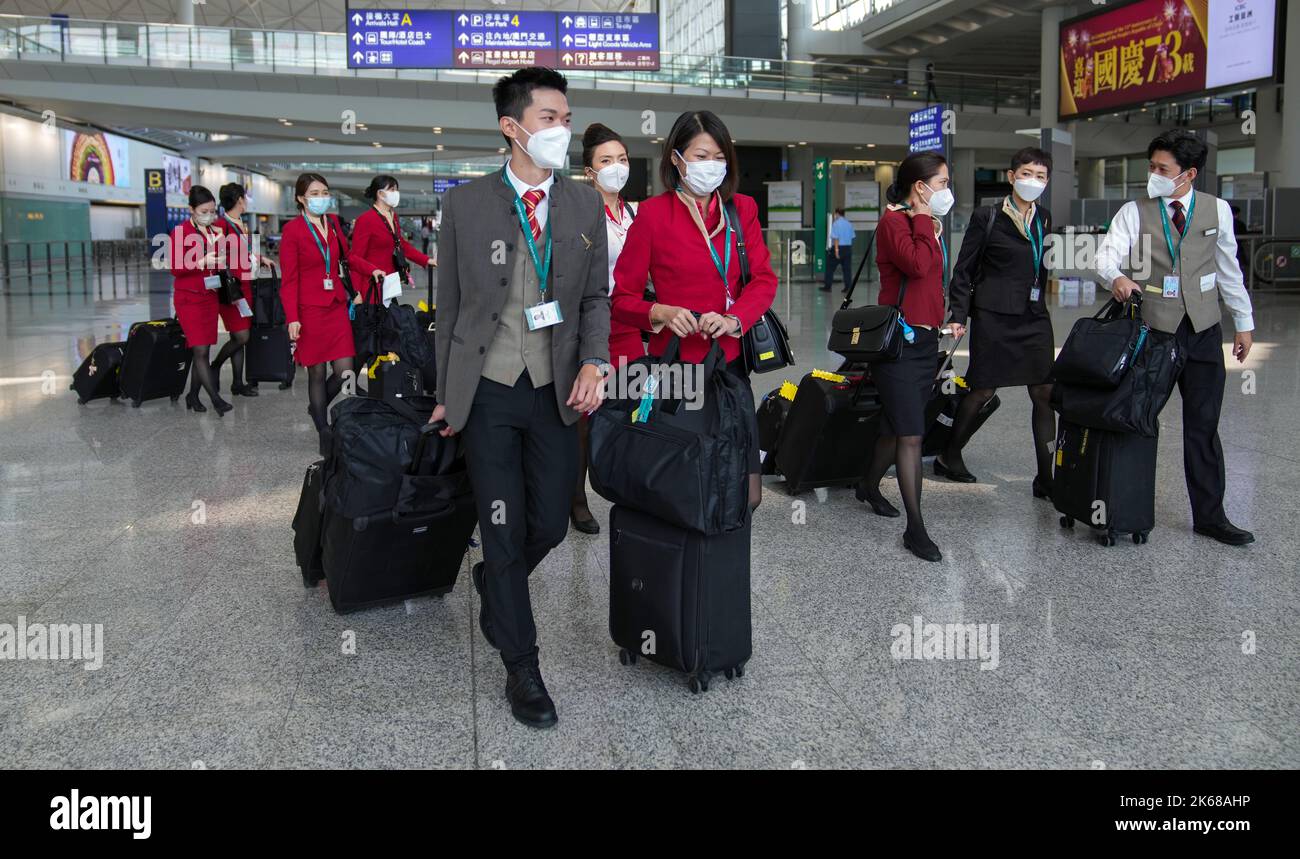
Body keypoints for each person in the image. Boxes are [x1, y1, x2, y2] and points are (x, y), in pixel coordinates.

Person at [427, 67, 608, 729]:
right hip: (489, 389)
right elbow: (446, 309)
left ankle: (496, 587)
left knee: (550, 524)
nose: (563, 129)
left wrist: (595, 356)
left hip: (554, 388)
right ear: (512, 127)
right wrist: (449, 394)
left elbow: (595, 297)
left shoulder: (583, 205)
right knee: (501, 530)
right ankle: (522, 665)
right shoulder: (466, 205)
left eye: (566, 117)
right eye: (550, 117)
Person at [611, 109, 777, 512]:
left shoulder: (741, 210)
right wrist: (662, 313)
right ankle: (691, 570)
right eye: (701, 156)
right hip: (677, 372)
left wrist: (736, 316)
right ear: (676, 158)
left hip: (731, 367)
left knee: (747, 491)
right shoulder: (652, 215)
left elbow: (764, 279)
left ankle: (726, 570)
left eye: (719, 156)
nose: (711, 166)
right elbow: (621, 299)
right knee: (691, 486)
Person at [1096, 130, 1255, 546]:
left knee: (1203, 426)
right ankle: (1118, 508)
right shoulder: (1135, 211)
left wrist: (1243, 321)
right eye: (1151, 167)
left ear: (1189, 173)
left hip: (1203, 331)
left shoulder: (1216, 211)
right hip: (1153, 332)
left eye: (1161, 169)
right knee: (1136, 420)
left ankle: (1211, 517)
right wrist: (1116, 277)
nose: (1153, 175)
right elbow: (1105, 255)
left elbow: (1228, 269)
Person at [941, 147, 1055, 498]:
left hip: (1034, 317)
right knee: (983, 390)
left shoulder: (1045, 218)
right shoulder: (987, 216)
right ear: (1010, 176)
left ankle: (1046, 477)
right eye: (1026, 174)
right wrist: (958, 315)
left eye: (1040, 176)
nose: (1032, 181)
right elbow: (964, 270)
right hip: (993, 317)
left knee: (1044, 393)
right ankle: (949, 453)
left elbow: (1042, 266)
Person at [855, 150, 951, 563]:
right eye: (943, 183)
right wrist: (923, 219)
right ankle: (915, 528)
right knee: (912, 434)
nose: (948, 191)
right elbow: (915, 264)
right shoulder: (895, 221)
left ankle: (867, 484)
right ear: (921, 187)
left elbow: (932, 277)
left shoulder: (927, 224)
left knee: (896, 427)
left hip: (925, 339)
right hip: (898, 344)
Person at [569, 121, 642, 536]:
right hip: (590, 325)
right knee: (585, 415)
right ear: (590, 171)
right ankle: (577, 500)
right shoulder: (581, 212)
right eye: (607, 160)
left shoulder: (634, 212)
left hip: (628, 324)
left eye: (622, 159)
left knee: (627, 411)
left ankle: (626, 486)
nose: (617, 167)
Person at [279, 173, 371, 450]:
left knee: (346, 371)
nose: (321, 198)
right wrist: (292, 318)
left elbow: (348, 257)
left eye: (324, 192)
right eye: (315, 193)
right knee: (316, 373)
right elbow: (289, 280)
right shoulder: (292, 231)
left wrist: (371, 269)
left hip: (335, 307)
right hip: (309, 310)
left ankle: (316, 409)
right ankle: (323, 429)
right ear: (300, 198)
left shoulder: (331, 224)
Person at [169, 185, 233, 416]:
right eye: (204, 211)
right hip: (189, 299)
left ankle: (192, 395)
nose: (209, 215)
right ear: (191, 210)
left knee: (203, 350)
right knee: (200, 349)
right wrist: (200, 262)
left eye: (212, 211)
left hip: (209, 296)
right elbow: (175, 268)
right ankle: (216, 400)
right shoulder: (181, 232)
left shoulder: (215, 231)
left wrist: (222, 258)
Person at [349, 175, 436, 315]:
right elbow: (355, 258)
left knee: (391, 327)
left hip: (389, 283)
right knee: (376, 329)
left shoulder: (392, 217)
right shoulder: (366, 220)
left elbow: (401, 245)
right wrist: (356, 292)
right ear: (380, 193)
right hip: (371, 285)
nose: (396, 193)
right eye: (392, 189)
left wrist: (426, 260)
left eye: (396, 189)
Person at [213, 182, 258, 397]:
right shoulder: (221, 225)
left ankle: (237, 383)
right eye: (245, 197)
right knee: (241, 336)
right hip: (232, 291)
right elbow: (216, 258)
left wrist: (258, 258)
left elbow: (242, 253)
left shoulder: (241, 224)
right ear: (240, 199)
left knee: (239, 337)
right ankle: (215, 365)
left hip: (245, 286)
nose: (246, 201)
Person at [823, 207, 856, 292]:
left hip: (838, 248)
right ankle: (848, 287)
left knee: (830, 267)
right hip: (848, 248)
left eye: (835, 214)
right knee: (847, 269)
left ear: (837, 213)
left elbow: (836, 238)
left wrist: (836, 250)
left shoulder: (836, 224)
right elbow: (852, 237)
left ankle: (828, 286)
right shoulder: (849, 223)